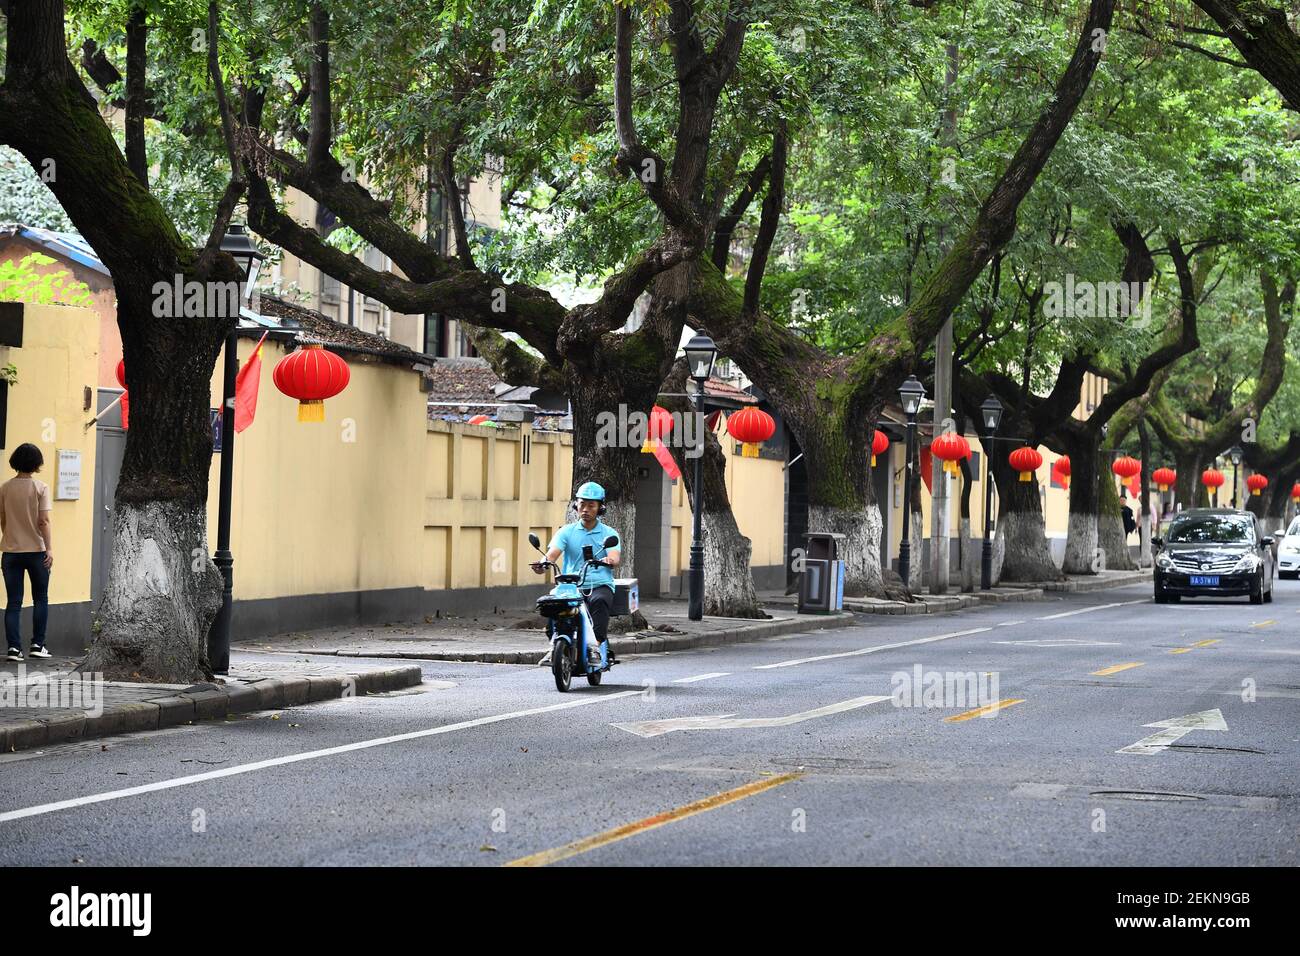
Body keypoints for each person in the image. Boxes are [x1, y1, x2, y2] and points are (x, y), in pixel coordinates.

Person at [531, 481, 621, 666]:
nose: (585, 509)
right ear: (576, 505)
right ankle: (553, 645)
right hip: (570, 586)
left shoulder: (609, 533)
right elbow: (552, 555)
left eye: (591, 505)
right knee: (551, 602)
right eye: (582, 504)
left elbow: (614, 557)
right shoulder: (566, 531)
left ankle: (595, 646)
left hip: (599, 584)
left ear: (600, 508)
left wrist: (608, 560)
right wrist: (543, 564)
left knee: (599, 601)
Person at [0, 443, 54, 661]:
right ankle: (37, 645)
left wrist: (11, 535)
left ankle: (14, 648)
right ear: (37, 464)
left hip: (11, 552)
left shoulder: (4, 488)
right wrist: (49, 548)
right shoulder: (40, 488)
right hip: (36, 551)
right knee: (40, 598)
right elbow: (44, 521)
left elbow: (3, 520)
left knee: (13, 601)